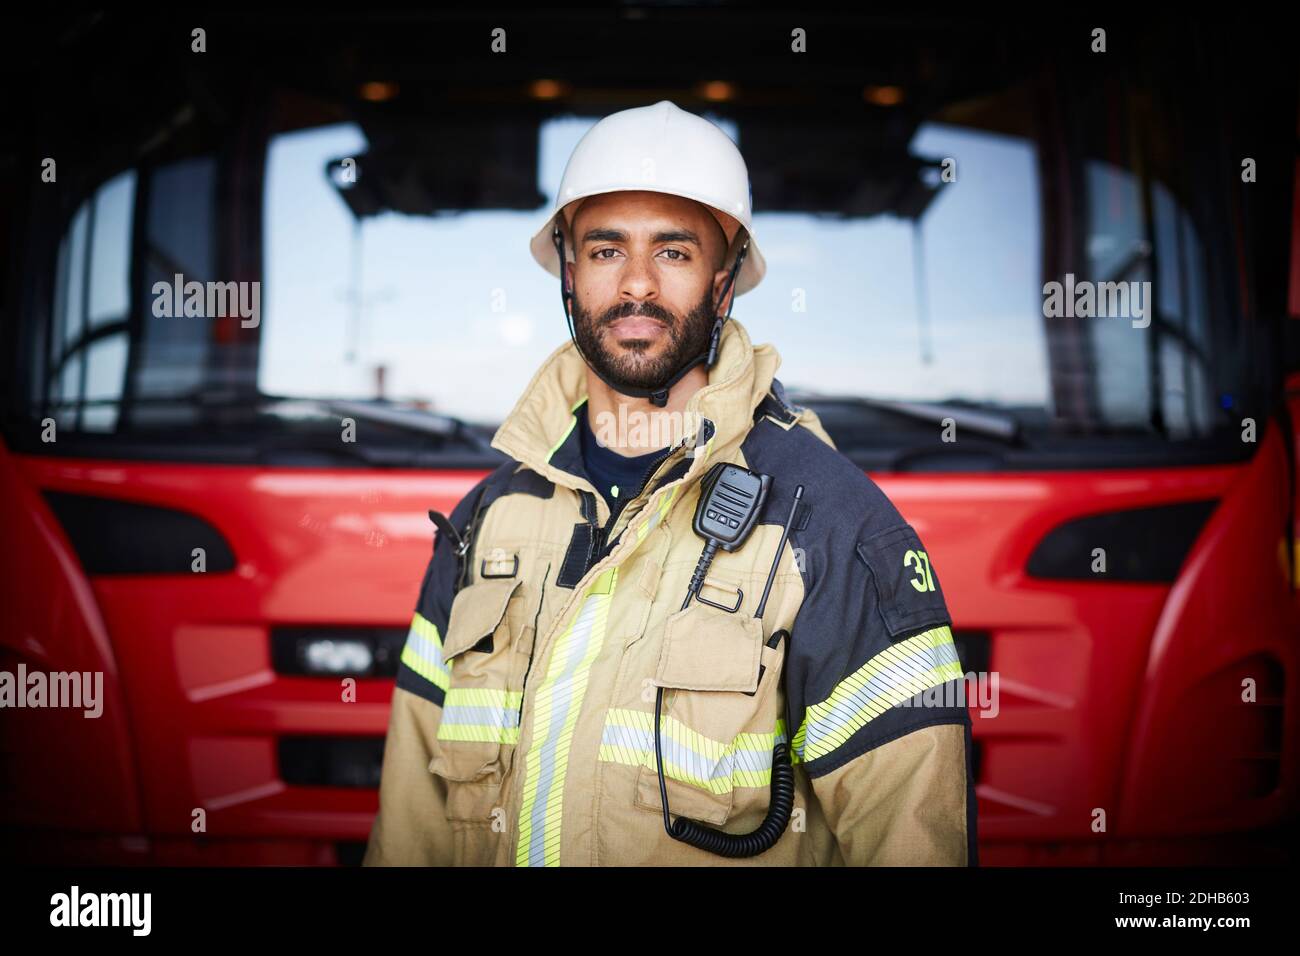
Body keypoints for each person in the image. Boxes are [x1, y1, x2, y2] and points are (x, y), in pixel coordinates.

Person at [364, 100, 977, 866]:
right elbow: (410, 833)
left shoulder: (831, 527)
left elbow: (910, 844)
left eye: (675, 253)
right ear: (568, 268)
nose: (638, 285)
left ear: (723, 285)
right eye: (606, 249)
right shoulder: (488, 521)